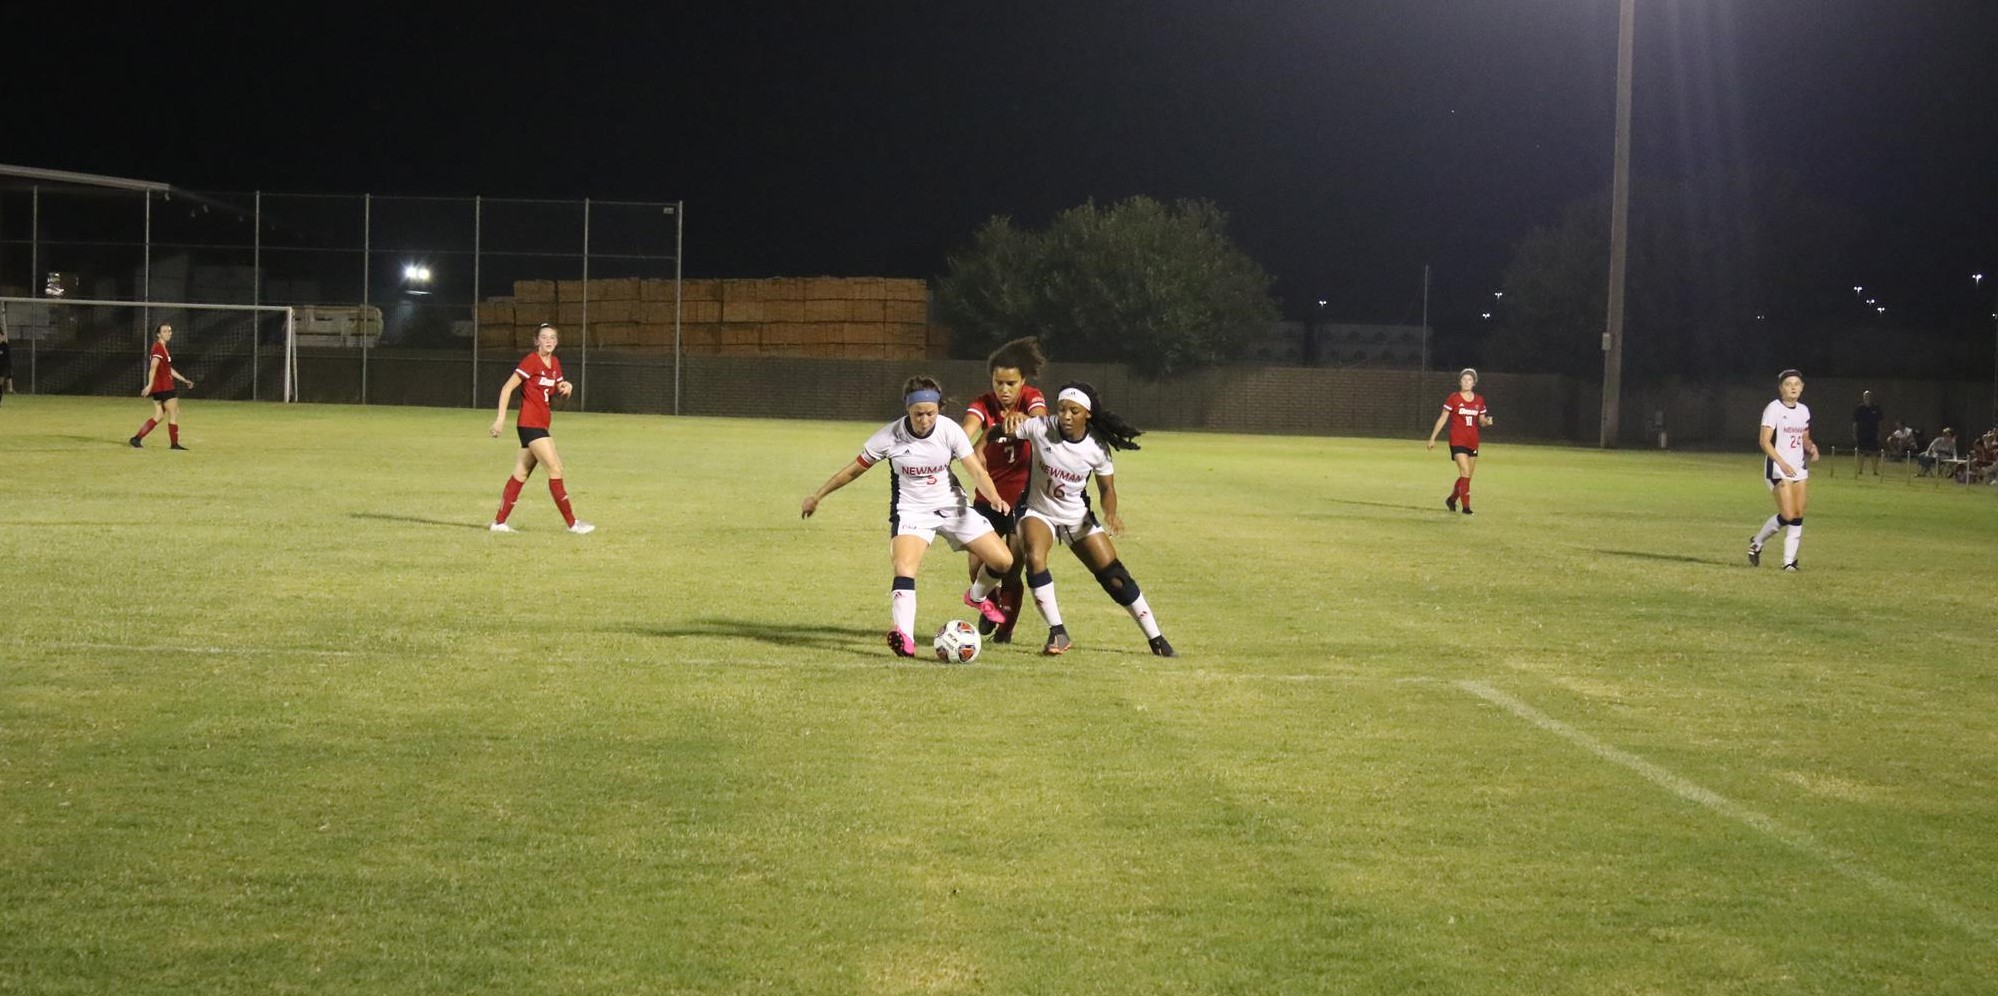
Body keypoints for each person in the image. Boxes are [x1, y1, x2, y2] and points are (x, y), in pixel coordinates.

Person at [801, 376, 1017, 658]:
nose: (925, 420)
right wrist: (818, 495)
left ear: (938, 409)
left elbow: (976, 470)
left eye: (931, 413)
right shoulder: (889, 437)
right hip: (912, 511)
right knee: (904, 568)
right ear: (907, 410)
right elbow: (853, 470)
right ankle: (904, 637)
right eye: (918, 414)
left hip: (953, 506)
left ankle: (976, 596)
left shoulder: (950, 431)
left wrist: (994, 497)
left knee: (1003, 560)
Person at [1002, 382, 1176, 657]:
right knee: (1035, 557)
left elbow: (1107, 489)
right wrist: (1009, 424)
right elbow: (1006, 429)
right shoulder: (1041, 427)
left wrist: (1110, 513)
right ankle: (1057, 632)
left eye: (1074, 411)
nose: (1066, 416)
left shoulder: (1096, 447)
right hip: (1038, 510)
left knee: (1115, 577)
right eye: (1062, 410)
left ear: (1088, 414)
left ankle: (1157, 639)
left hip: (1076, 517)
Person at [960, 336, 1049, 643]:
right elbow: (966, 430)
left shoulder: (1032, 398)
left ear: (1022, 380)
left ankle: (1005, 633)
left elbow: (1042, 422)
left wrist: (1025, 420)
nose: (1005, 390)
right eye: (999, 382)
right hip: (987, 498)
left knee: (1011, 570)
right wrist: (975, 436)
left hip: (1022, 501)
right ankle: (991, 606)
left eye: (1011, 383)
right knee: (976, 567)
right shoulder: (983, 404)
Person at [488, 323, 593, 534]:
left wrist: (567, 387)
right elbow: (507, 388)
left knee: (521, 473)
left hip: (540, 424)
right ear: (537, 341)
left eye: (552, 337)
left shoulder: (554, 363)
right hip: (530, 424)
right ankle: (573, 524)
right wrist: (500, 419)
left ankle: (499, 523)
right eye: (544, 337)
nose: (548, 340)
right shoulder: (531, 361)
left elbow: (559, 389)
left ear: (556, 341)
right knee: (556, 469)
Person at [1748, 369, 1819, 571]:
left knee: (1798, 514)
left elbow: (1804, 437)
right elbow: (1764, 441)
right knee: (1787, 514)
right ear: (1781, 389)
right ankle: (1757, 543)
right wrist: (1782, 462)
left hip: (1799, 468)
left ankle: (1789, 561)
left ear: (1802, 387)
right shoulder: (1774, 408)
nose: (1793, 387)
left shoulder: (1804, 410)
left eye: (1797, 383)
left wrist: (1811, 447)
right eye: (1788, 384)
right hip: (1778, 467)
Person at [1425, 368, 1493, 514]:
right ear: (1460, 381)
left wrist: (1486, 422)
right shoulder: (1454, 398)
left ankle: (1451, 499)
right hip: (1457, 440)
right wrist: (1432, 438)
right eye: (1464, 379)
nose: (1466, 382)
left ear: (1474, 383)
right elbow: (1443, 418)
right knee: (1465, 471)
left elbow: (1481, 421)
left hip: (1473, 441)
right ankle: (1466, 508)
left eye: (1469, 379)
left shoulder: (1479, 400)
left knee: (1467, 476)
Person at [129, 322, 195, 449]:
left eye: (170, 331)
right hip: (165, 387)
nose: (168, 333)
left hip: (159, 388)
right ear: (158, 334)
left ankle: (136, 439)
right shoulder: (158, 348)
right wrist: (149, 385)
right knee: (174, 415)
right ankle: (174, 444)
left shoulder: (162, 348)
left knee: (159, 416)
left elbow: (168, 369)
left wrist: (183, 379)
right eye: (165, 331)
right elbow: (153, 367)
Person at [1852, 390, 1883, 477]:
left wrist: (1879, 433)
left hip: (1873, 433)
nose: (1867, 398)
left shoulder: (1876, 408)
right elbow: (1855, 423)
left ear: (1871, 397)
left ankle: (1875, 470)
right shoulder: (1859, 409)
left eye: (1869, 396)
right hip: (1862, 433)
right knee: (1861, 452)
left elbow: (1880, 422)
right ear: (1863, 397)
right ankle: (1860, 470)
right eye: (1866, 396)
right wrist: (1854, 434)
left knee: (1874, 452)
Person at [0, 324, 13, 407]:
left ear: (2, 336)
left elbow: (8, 360)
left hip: (3, 369)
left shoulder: (5, 346)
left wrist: (9, 373)